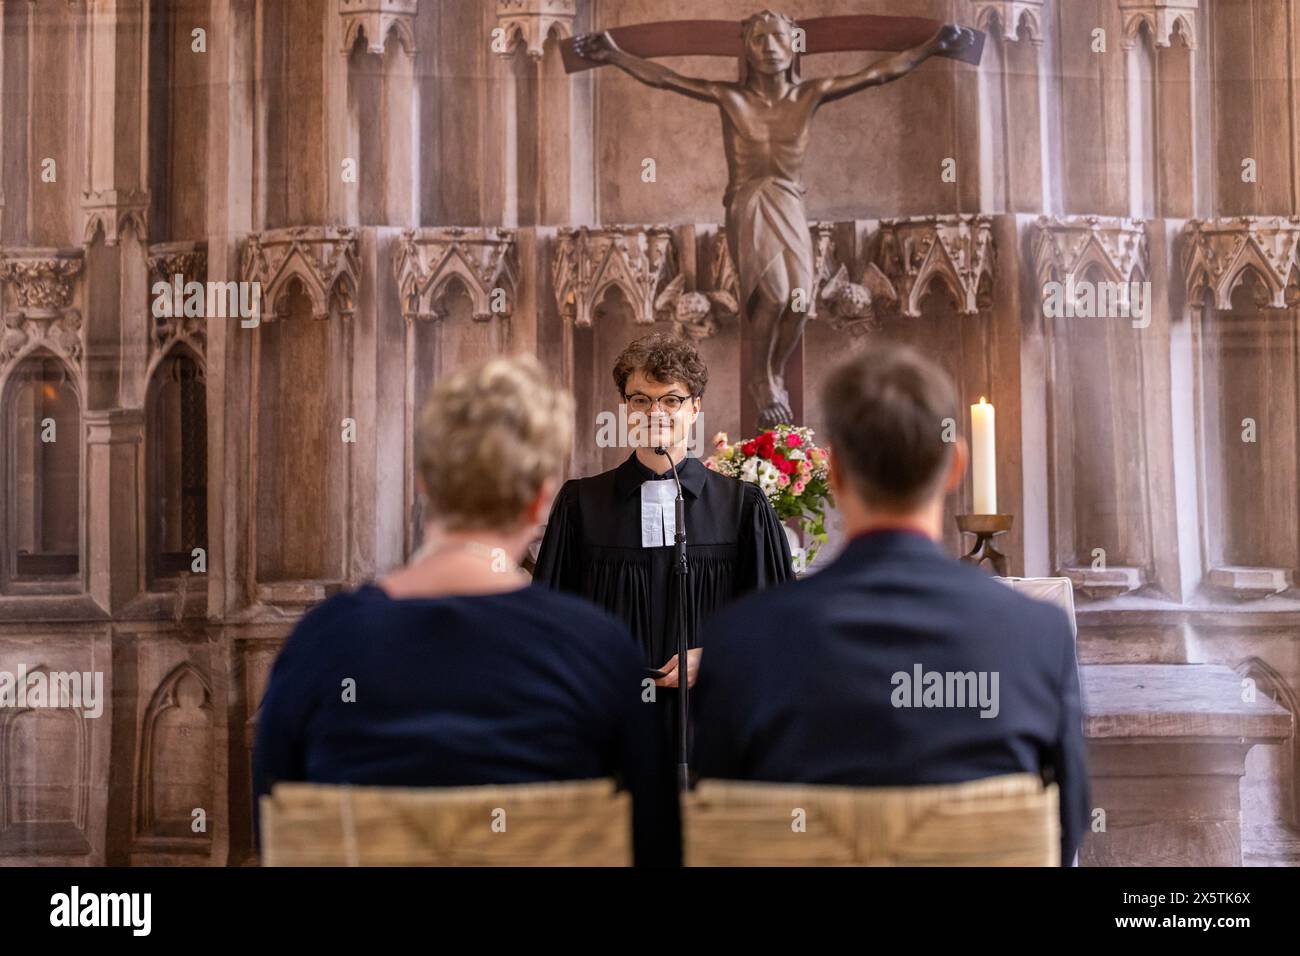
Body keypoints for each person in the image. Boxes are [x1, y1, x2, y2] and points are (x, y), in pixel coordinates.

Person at [253, 355, 679, 866]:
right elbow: (654, 843)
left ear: (426, 483)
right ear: (541, 499)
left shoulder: (323, 641)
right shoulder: (599, 650)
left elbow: (278, 832)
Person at [694, 343, 1089, 864]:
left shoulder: (742, 640)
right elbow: (1068, 827)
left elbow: (718, 837)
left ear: (832, 474)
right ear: (955, 467)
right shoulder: (1037, 635)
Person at [573, 12, 975, 427]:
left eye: (777, 38)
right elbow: (664, 79)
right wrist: (616, 56)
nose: (768, 47)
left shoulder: (810, 94)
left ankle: (773, 370)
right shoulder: (732, 98)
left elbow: (878, 74)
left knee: (801, 296)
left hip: (788, 199)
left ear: (792, 45)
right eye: (759, 39)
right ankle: (763, 377)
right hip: (749, 202)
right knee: (777, 294)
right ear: (747, 48)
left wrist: (933, 47)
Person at [533, 332, 793, 772]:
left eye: (671, 400)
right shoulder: (581, 505)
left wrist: (716, 658)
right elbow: (549, 627)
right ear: (625, 410)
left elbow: (778, 626)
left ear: (695, 409)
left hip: (711, 730)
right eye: (640, 400)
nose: (655, 413)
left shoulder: (742, 507)